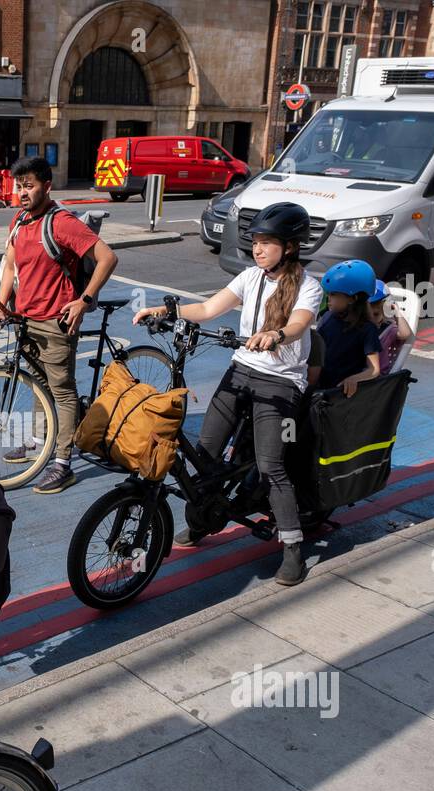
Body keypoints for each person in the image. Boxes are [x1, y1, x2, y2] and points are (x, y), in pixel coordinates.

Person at [133, 202, 321, 586]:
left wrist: (277, 334)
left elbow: (300, 323)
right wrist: (163, 311)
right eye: (256, 241)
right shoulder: (251, 278)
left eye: (268, 243)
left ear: (290, 246)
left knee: (271, 465)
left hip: (281, 384)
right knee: (205, 452)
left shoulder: (309, 287)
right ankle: (204, 520)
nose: (258, 248)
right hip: (241, 372)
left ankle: (292, 549)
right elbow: (207, 308)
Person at [0, 155, 119, 493]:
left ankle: (63, 461)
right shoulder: (18, 221)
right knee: (37, 382)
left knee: (62, 390)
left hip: (55, 322)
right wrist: (2, 304)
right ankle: (38, 443)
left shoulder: (61, 222)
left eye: (28, 186)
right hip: (26, 318)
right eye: (18, 186)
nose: (22, 192)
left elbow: (108, 258)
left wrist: (85, 300)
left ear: (46, 187)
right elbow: (9, 266)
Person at [315, 260, 381, 398]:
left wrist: (354, 379)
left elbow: (373, 370)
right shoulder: (328, 317)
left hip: (338, 391)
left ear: (352, 298)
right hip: (317, 380)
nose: (328, 298)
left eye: (333, 294)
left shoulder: (367, 329)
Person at [368, 279, 412, 376]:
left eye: (376, 314)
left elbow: (405, 334)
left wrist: (397, 312)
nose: (371, 319)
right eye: (366, 315)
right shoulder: (360, 328)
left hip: (378, 376)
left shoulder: (388, 330)